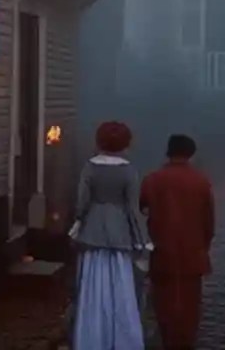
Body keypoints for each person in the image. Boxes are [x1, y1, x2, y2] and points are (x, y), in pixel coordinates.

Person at [69, 121, 150, 350]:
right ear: (126, 143)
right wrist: (141, 240)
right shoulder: (129, 170)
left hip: (92, 231)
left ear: (99, 142)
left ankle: (91, 338)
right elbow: (133, 210)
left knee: (91, 288)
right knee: (121, 287)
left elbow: (82, 202)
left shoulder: (90, 168)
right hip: (120, 233)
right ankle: (122, 340)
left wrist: (78, 223)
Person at [140, 134, 215, 350]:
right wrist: (204, 246)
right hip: (193, 253)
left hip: (162, 251)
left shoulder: (153, 179)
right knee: (190, 306)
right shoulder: (201, 182)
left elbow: (142, 207)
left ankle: (167, 340)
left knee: (163, 304)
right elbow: (209, 222)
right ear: (191, 153)